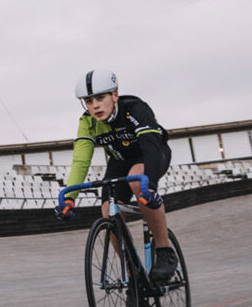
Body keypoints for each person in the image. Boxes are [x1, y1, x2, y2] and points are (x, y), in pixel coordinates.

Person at [56, 68, 178, 286]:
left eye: (100, 98)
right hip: (120, 161)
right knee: (108, 212)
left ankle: (164, 249)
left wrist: (149, 185)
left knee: (136, 180)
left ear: (115, 95)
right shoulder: (87, 122)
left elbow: (150, 147)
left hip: (151, 153)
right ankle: (134, 275)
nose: (94, 105)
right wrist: (69, 197)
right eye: (88, 100)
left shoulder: (135, 109)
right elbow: (81, 160)